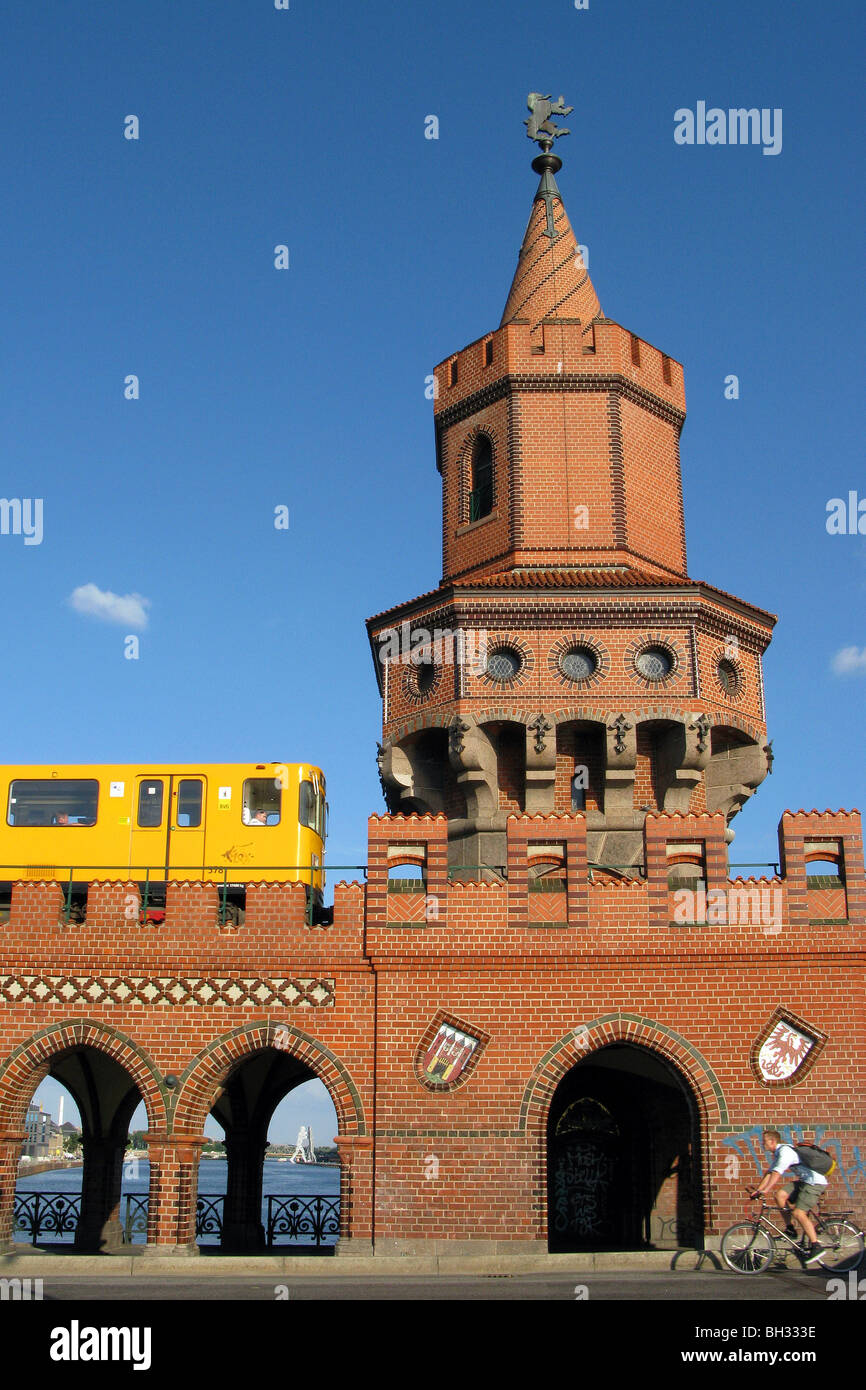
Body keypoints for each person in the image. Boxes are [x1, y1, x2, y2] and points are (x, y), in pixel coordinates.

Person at [751, 1130, 828, 1264]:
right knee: (780, 1195)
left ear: (773, 1142)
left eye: (764, 1141)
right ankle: (790, 1229)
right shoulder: (778, 1153)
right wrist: (758, 1190)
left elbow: (776, 1173)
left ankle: (816, 1246)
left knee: (799, 1213)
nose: (762, 1144)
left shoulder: (785, 1152)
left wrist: (766, 1190)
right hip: (805, 1181)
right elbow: (769, 1173)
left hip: (814, 1183)